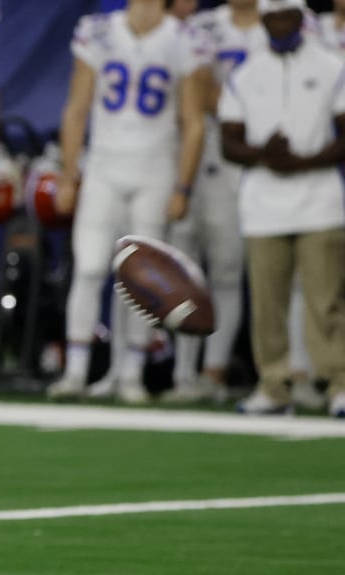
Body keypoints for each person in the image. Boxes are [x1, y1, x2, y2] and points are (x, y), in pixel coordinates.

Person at [45, 0, 208, 404]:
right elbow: (76, 108)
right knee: (89, 266)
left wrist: (183, 186)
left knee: (142, 277)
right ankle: (76, 371)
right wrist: (69, 174)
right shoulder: (98, 31)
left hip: (155, 169)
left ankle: (131, 372)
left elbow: (194, 122)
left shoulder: (186, 38)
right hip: (103, 165)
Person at [219, 0, 345, 418]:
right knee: (267, 302)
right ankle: (274, 386)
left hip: (320, 198)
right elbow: (229, 142)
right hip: (263, 204)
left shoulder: (332, 66)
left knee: (325, 299)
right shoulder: (246, 73)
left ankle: (339, 383)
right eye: (272, 18)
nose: (280, 24)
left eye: (287, 16)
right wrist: (265, 156)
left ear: (301, 18)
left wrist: (303, 162)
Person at [161, 0, 264, 404]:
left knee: (227, 269)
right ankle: (184, 372)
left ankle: (214, 372)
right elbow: (198, 94)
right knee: (186, 272)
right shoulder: (203, 27)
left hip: (250, 166)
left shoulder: (287, 21)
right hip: (198, 161)